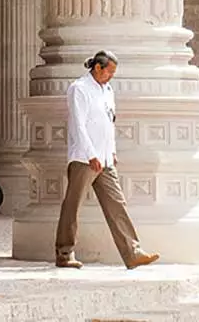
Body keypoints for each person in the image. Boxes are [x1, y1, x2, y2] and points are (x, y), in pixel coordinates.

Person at [54, 50, 160, 270]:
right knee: (72, 206)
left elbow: (109, 122)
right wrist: (91, 154)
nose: (111, 76)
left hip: (105, 160)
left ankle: (133, 252)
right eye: (109, 71)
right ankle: (64, 253)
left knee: (117, 204)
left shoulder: (108, 90)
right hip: (85, 158)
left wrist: (111, 152)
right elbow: (78, 125)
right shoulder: (79, 89)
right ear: (98, 67)